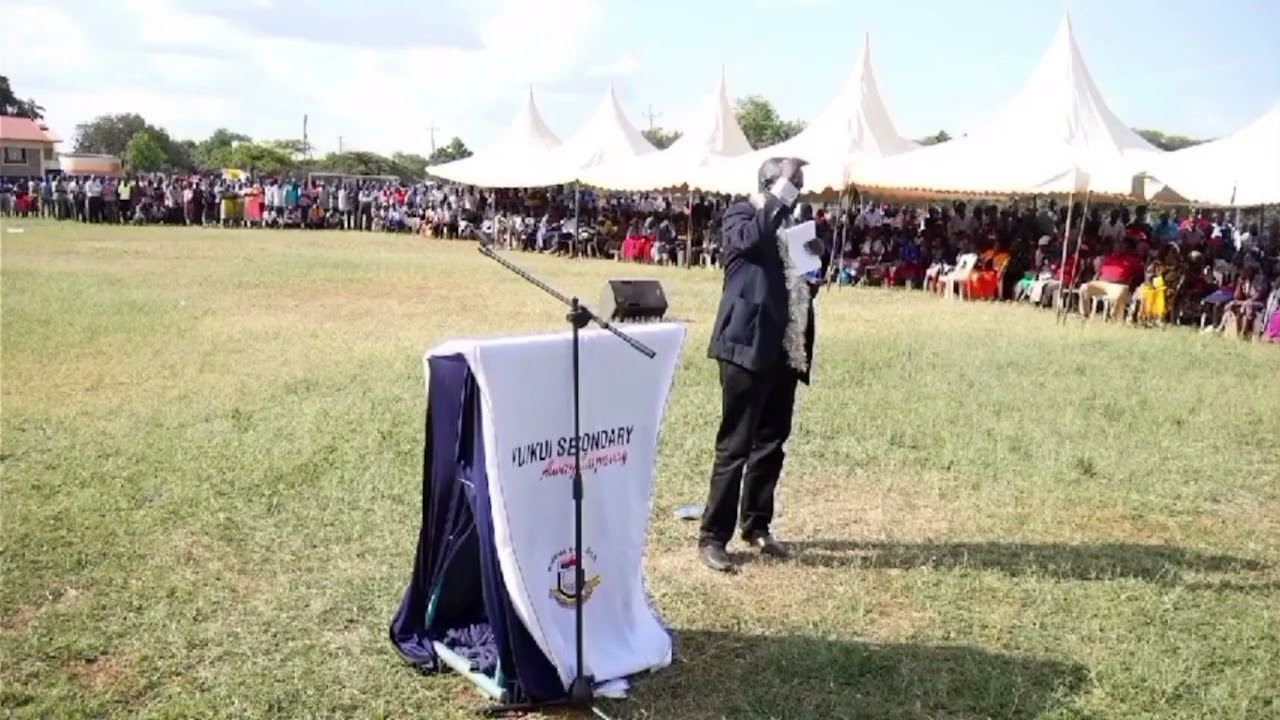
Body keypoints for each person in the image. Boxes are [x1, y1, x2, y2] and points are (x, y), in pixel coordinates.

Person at [698, 157, 823, 573]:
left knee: (771, 443)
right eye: (792, 186)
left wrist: (813, 267)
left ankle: (756, 525)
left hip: (784, 348)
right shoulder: (742, 213)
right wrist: (779, 195)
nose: (797, 195)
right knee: (735, 445)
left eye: (800, 187)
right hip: (745, 344)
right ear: (770, 185)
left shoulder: (793, 224)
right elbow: (752, 241)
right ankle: (713, 537)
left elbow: (805, 287)